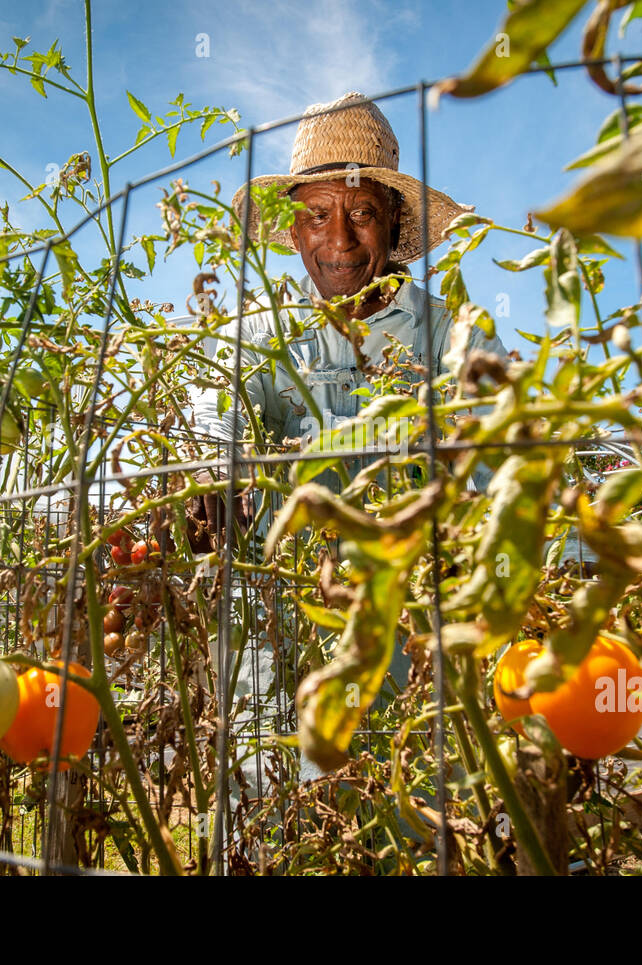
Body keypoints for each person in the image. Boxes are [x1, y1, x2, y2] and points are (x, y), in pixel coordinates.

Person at [183, 91, 508, 807]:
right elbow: (217, 407)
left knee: (415, 818)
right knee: (276, 821)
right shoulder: (259, 338)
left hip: (416, 641)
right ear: (293, 233)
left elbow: (500, 466)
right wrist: (212, 469)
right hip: (280, 637)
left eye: (360, 212)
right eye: (316, 214)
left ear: (393, 226)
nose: (338, 238)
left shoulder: (457, 337)